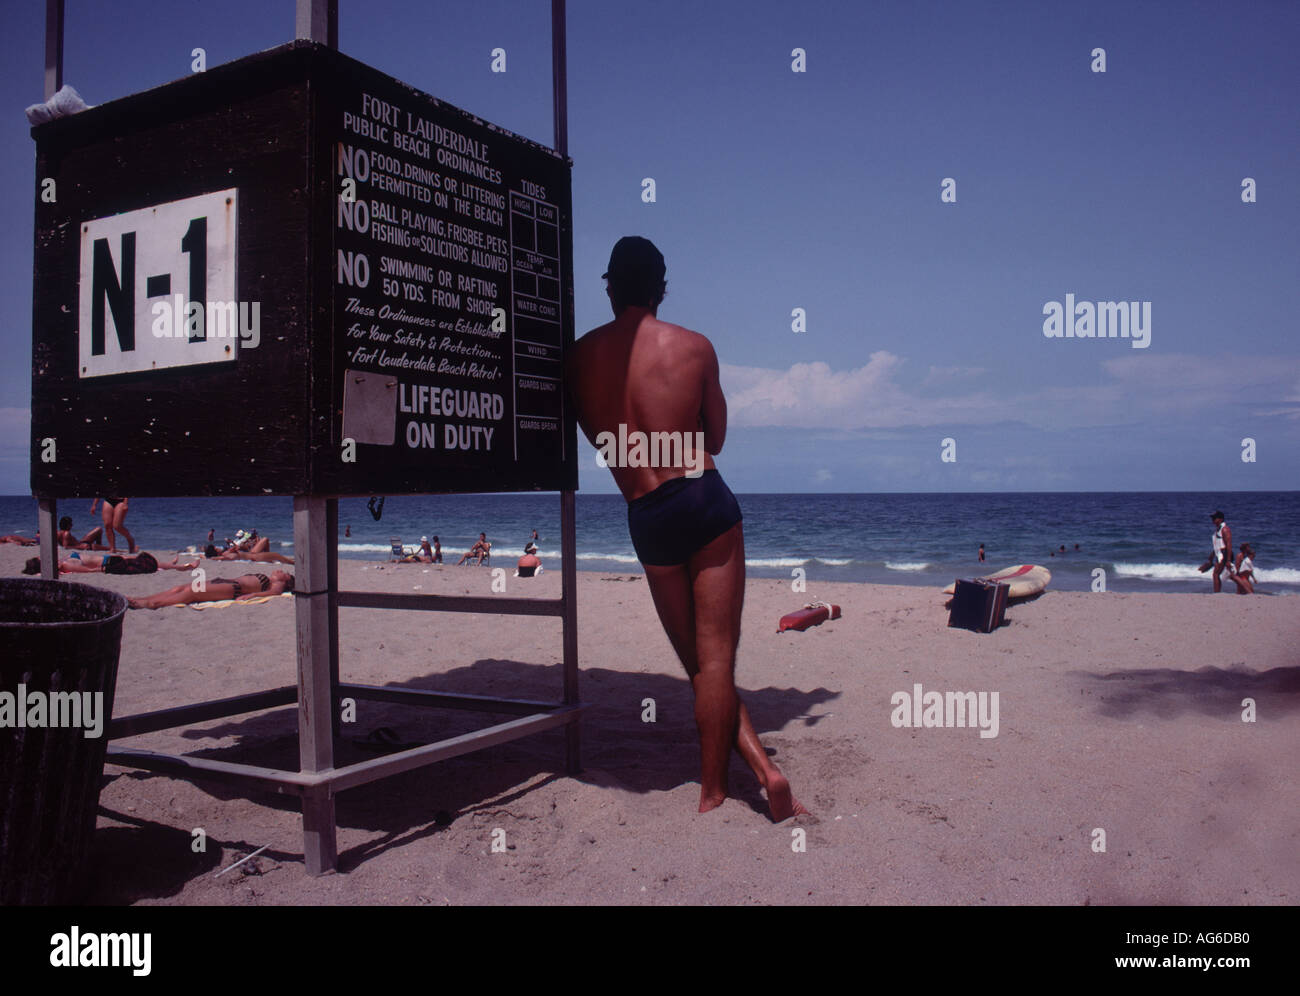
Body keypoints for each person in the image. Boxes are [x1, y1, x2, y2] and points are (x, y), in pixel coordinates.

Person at [565, 235, 805, 822]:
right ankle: (717, 789)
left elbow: (599, 439)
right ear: (661, 288)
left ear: (609, 287)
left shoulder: (576, 359)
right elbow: (716, 438)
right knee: (717, 659)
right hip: (701, 496)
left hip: (645, 514)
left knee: (699, 663)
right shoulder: (695, 347)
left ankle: (760, 772)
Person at [128, 569, 294, 609]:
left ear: (286, 581)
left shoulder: (276, 584)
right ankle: (143, 598)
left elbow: (274, 593)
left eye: (285, 574)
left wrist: (253, 594)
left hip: (233, 588)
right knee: (179, 587)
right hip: (225, 582)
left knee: (191, 593)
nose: (281, 571)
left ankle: (150, 604)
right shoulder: (273, 578)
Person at [1197, 510, 1233, 593]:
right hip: (1220, 554)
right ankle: (1218, 592)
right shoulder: (1219, 529)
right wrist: (1212, 556)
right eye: (1212, 518)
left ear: (1221, 519)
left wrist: (1228, 560)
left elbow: (1228, 544)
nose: (1213, 520)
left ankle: (1217, 593)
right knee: (1225, 575)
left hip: (1224, 554)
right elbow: (1218, 544)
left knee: (1216, 574)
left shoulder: (1225, 529)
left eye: (1214, 518)